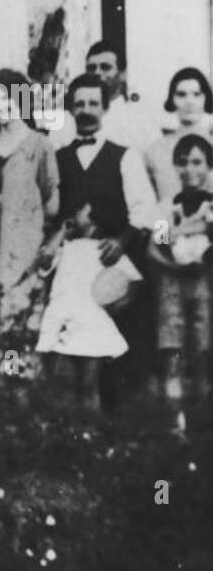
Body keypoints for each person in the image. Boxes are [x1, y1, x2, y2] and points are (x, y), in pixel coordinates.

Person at [55, 72, 158, 409]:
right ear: (70, 108)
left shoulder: (124, 156)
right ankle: (68, 444)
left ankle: (106, 442)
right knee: (66, 358)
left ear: (104, 109)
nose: (86, 110)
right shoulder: (59, 157)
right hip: (70, 266)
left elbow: (145, 211)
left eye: (93, 104)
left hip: (107, 265)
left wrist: (122, 240)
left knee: (101, 360)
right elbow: (53, 214)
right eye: (79, 104)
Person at [0, 70, 60, 336]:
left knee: (15, 326)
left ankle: (13, 376)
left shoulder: (39, 145)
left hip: (21, 251)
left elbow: (51, 201)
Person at [36, 204, 141, 411]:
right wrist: (62, 231)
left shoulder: (108, 249)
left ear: (93, 219)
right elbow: (45, 261)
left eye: (80, 211)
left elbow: (135, 281)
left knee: (88, 385)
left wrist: (118, 303)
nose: (75, 214)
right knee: (63, 381)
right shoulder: (67, 246)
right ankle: (65, 432)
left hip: (92, 323)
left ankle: (90, 433)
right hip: (64, 320)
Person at [146, 133, 213, 437]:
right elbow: (155, 246)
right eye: (183, 162)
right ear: (175, 166)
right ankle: (176, 430)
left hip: (205, 290)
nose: (190, 169)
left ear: (209, 166)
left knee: (203, 354)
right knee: (172, 355)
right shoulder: (165, 207)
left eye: (197, 162)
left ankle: (203, 431)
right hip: (171, 289)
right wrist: (175, 263)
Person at [144, 68, 213, 203]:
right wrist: (162, 224)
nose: (189, 101)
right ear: (172, 99)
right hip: (168, 222)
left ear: (206, 98)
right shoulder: (156, 150)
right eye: (181, 94)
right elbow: (154, 209)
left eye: (196, 94)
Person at [89, 40, 162, 152]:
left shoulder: (142, 122)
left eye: (105, 67)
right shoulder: (75, 118)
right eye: (91, 68)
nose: (97, 73)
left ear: (123, 75)